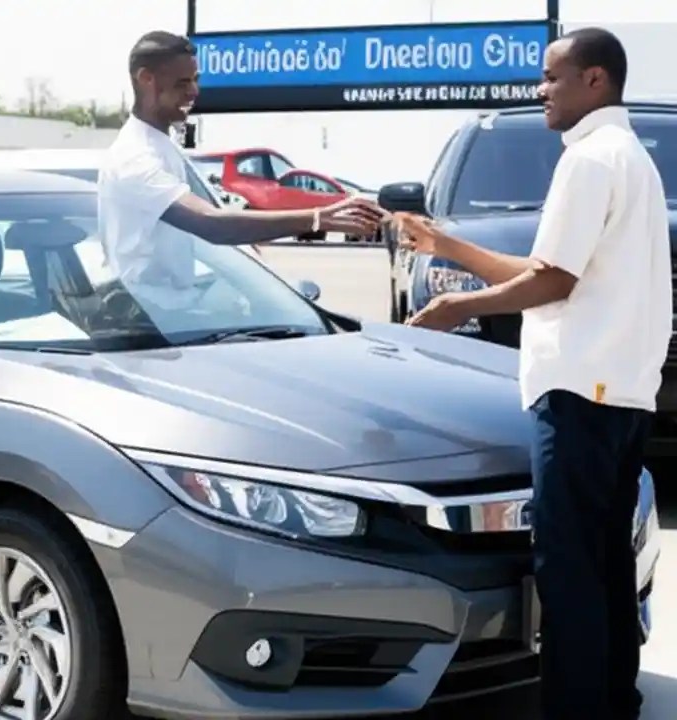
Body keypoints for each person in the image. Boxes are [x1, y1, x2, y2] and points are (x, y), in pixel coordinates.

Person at [396, 27, 670, 720]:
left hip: (579, 395)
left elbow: (551, 282)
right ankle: (612, 699)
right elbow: (552, 268)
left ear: (595, 81)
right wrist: (449, 246)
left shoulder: (588, 161)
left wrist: (457, 304)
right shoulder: (629, 156)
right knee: (606, 562)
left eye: (552, 77)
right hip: (622, 396)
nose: (539, 90)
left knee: (569, 568)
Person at [97, 30, 386, 313]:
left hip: (167, 315)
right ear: (146, 79)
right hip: (145, 325)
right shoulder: (135, 158)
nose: (194, 92)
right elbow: (211, 224)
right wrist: (319, 218)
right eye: (182, 83)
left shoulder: (160, 144)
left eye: (196, 81)